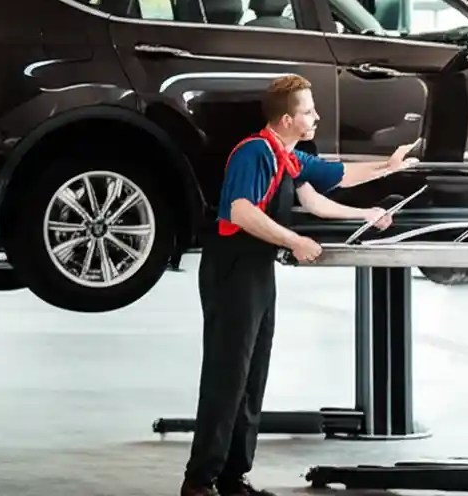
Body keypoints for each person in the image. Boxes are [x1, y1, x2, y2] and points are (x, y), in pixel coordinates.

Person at [180, 74, 420, 496]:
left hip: (257, 271)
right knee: (227, 375)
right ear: (287, 119)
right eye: (309, 111)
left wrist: (379, 183)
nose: (316, 116)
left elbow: (329, 184)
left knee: (253, 374)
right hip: (231, 270)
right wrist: (295, 240)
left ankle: (234, 476)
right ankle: (199, 482)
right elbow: (240, 212)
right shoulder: (254, 152)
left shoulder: (288, 156)